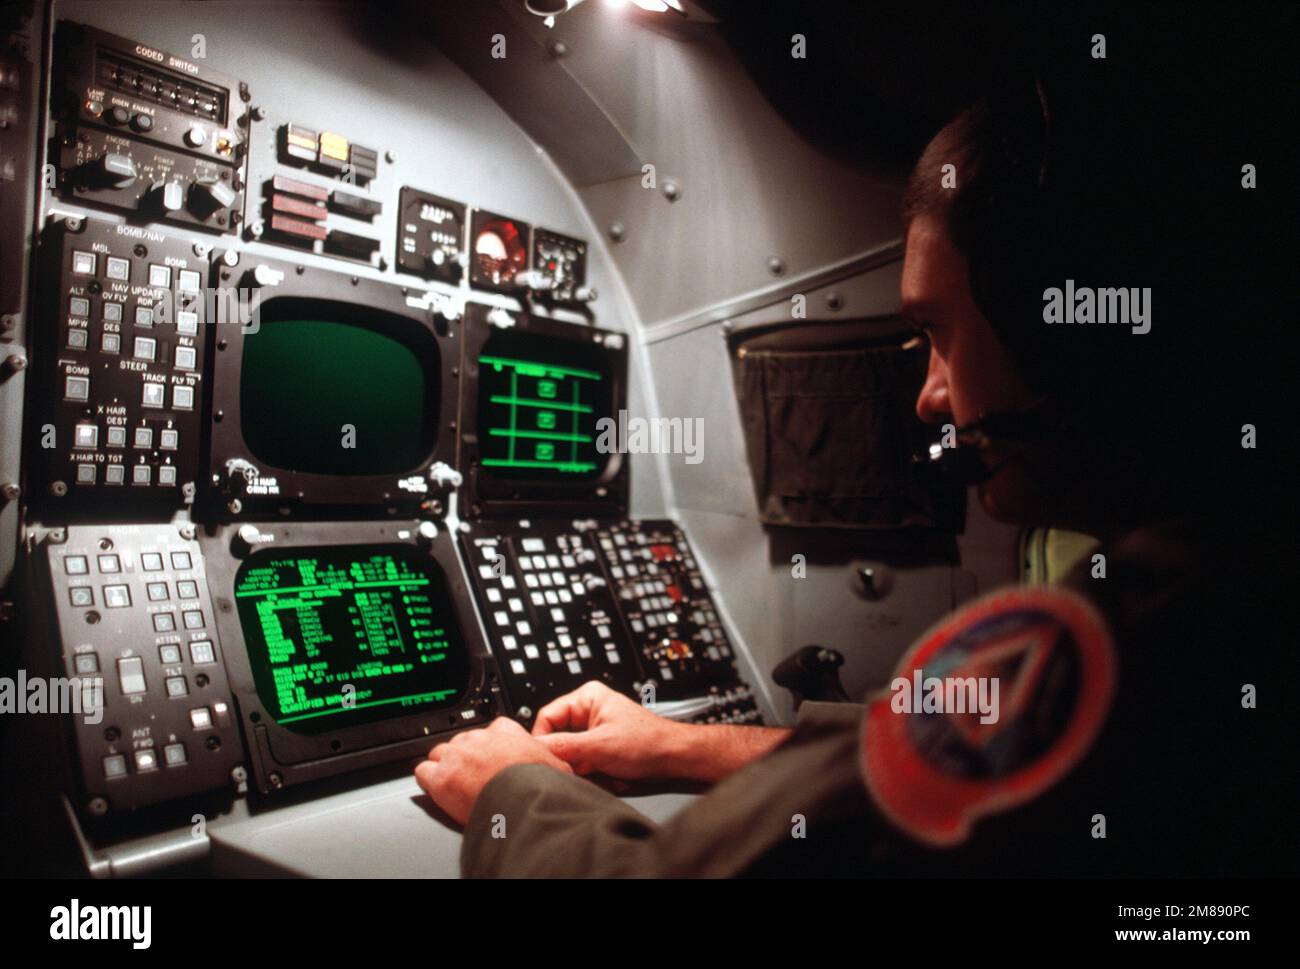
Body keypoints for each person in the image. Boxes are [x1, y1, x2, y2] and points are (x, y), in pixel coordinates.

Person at [414, 76, 1292, 877]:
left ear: (1068, 334)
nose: (930, 396)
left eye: (941, 334)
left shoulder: (1152, 641)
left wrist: (516, 794)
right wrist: (678, 745)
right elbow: (916, 744)